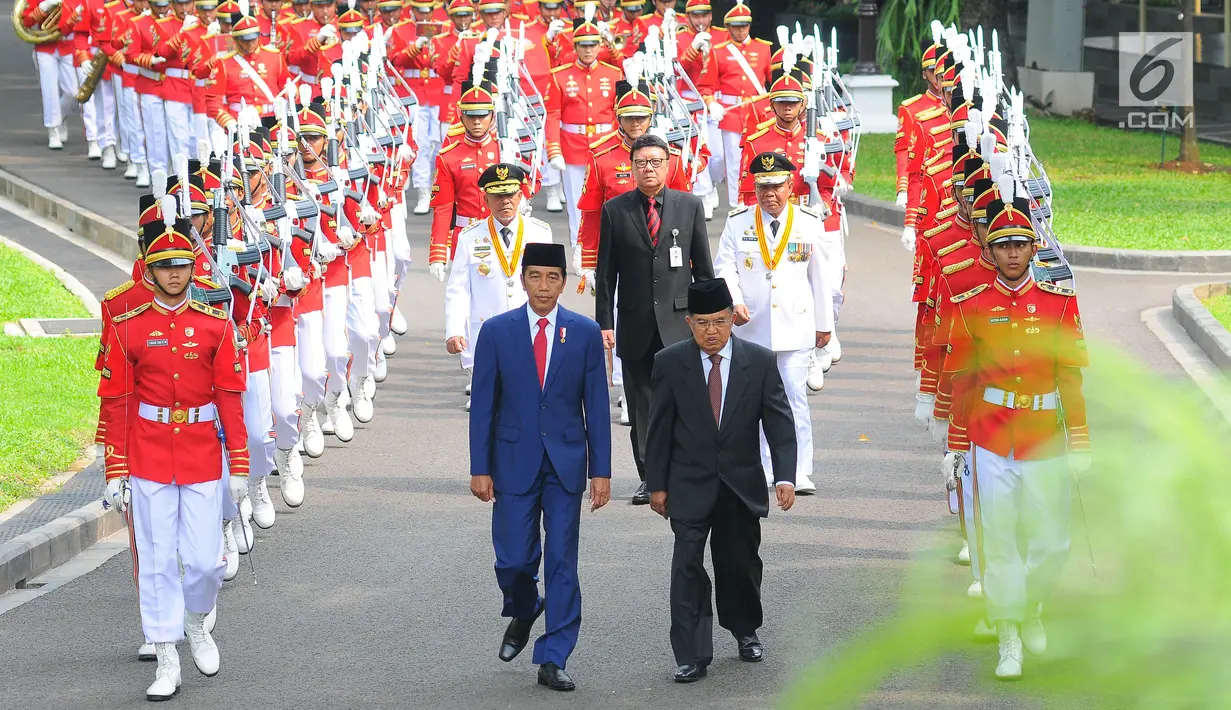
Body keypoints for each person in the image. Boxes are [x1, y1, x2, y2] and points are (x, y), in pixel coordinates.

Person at [98, 204, 248, 701]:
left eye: (182, 265)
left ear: (192, 268)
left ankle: (197, 621)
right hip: (148, 454)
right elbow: (117, 400)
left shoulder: (216, 324)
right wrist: (115, 468)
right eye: (165, 266)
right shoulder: (128, 324)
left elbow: (229, 396)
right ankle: (166, 655)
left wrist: (241, 466)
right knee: (159, 560)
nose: (174, 274)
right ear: (149, 268)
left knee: (206, 562)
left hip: (203, 454)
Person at [943, 193, 1090, 680]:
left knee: (1053, 545)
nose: (1010, 252)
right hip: (990, 438)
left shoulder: (1058, 302)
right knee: (999, 538)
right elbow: (963, 378)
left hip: (1045, 436)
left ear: (1033, 248)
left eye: (1019, 244)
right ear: (991, 249)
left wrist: (1082, 438)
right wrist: (957, 444)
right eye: (1002, 243)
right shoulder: (974, 305)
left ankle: (1031, 605)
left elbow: (1070, 375)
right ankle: (1009, 630)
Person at [468, 242, 612, 692]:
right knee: (513, 559)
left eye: (553, 277)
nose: (544, 286)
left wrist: (601, 470)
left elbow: (597, 406)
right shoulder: (497, 331)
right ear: (523, 279)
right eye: (535, 276)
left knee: (562, 561)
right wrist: (479, 466)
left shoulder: (585, 332)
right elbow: (483, 407)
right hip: (512, 461)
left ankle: (554, 656)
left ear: (564, 282)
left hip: (567, 462)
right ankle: (526, 606)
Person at [644, 278, 797, 683]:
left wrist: (784, 476)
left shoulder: (760, 362)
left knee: (739, 564)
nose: (712, 332)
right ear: (689, 323)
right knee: (687, 566)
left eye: (720, 321)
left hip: (739, 485)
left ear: (733, 319)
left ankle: (744, 629)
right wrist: (656, 483)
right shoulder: (670, 362)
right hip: (688, 484)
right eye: (702, 323)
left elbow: (779, 422)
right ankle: (692, 654)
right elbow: (657, 430)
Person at [595, 133, 714, 505]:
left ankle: (684, 472)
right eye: (641, 163)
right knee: (641, 407)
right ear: (631, 168)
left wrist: (710, 320)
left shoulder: (689, 206)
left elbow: (704, 270)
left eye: (656, 162)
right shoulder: (616, 210)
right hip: (635, 325)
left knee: (685, 402)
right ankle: (649, 477)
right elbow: (604, 274)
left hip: (680, 324)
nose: (648, 169)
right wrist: (605, 324)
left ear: (668, 165)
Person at [714, 152, 832, 494]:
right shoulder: (738, 223)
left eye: (777, 186)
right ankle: (763, 466)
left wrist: (824, 324)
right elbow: (725, 269)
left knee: (793, 397)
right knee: (752, 400)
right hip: (751, 326)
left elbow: (821, 278)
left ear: (790, 185)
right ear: (754, 187)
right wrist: (733, 300)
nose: (770, 194)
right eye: (763, 186)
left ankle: (798, 469)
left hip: (795, 325)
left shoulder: (809, 222)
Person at [445, 164, 554, 410]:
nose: (504, 202)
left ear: (520, 196)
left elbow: (550, 285)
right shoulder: (470, 236)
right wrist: (454, 330)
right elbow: (458, 289)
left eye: (510, 195)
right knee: (487, 407)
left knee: (528, 402)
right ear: (485, 199)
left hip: (529, 323)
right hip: (486, 326)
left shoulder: (539, 232)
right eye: (497, 196)